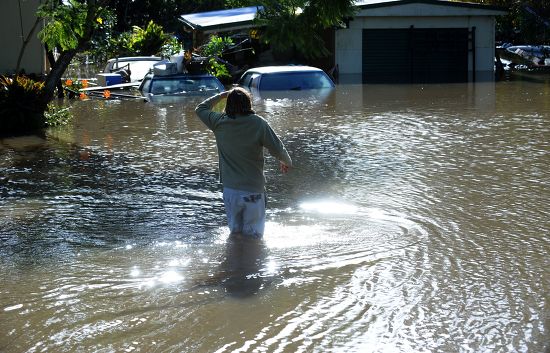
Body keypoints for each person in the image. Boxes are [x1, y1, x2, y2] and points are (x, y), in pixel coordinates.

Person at [195, 87, 292, 238]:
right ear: (249, 104)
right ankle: (253, 261)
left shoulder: (219, 122)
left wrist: (222, 95)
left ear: (228, 104)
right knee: (254, 236)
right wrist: (285, 161)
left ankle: (235, 260)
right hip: (254, 190)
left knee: (235, 234)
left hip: (231, 191)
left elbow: (201, 108)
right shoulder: (258, 123)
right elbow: (277, 147)